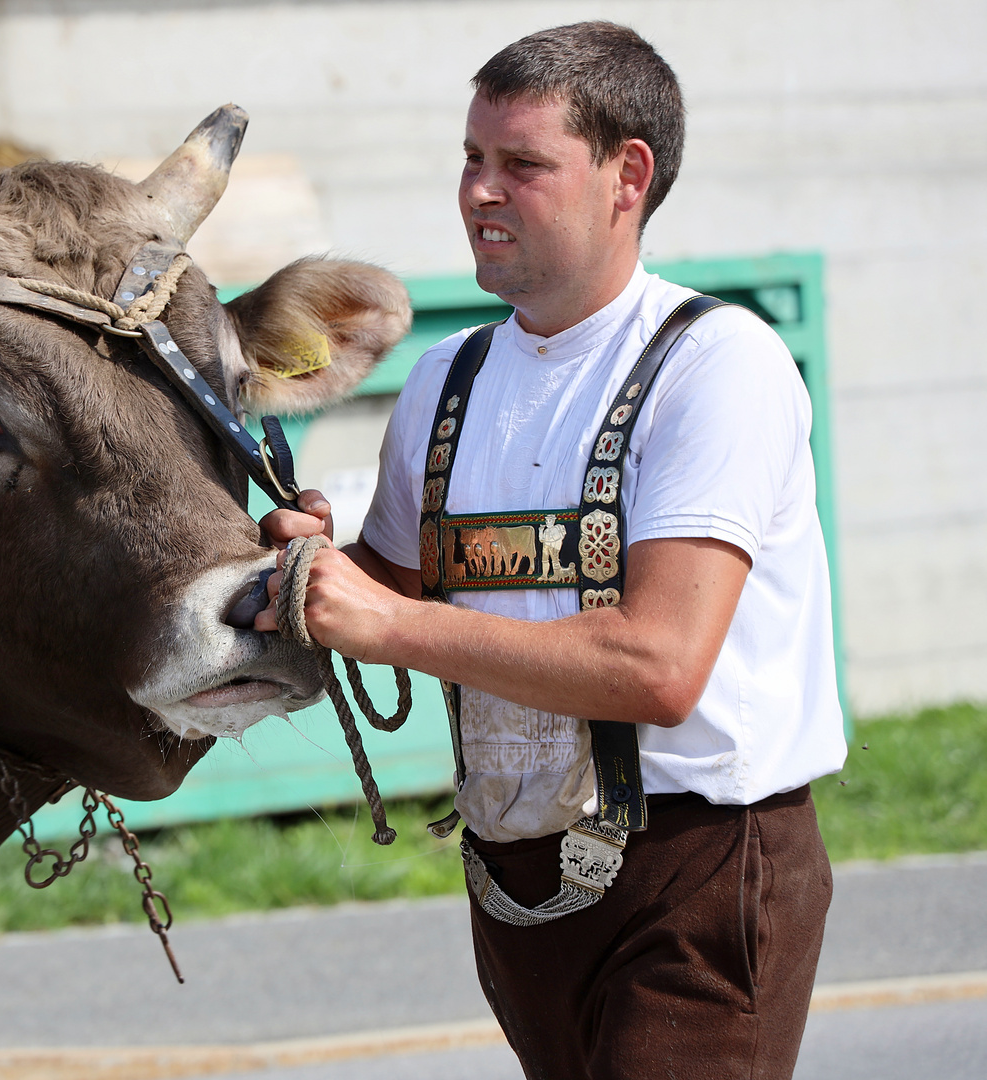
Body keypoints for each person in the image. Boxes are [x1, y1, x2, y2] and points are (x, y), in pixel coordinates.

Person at [257, 21, 845, 1079]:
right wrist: (322, 567)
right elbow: (401, 586)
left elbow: (658, 668)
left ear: (629, 175)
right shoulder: (447, 380)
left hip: (699, 869)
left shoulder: (719, 366)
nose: (479, 191)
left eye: (520, 164)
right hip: (514, 874)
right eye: (472, 159)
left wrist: (386, 620)